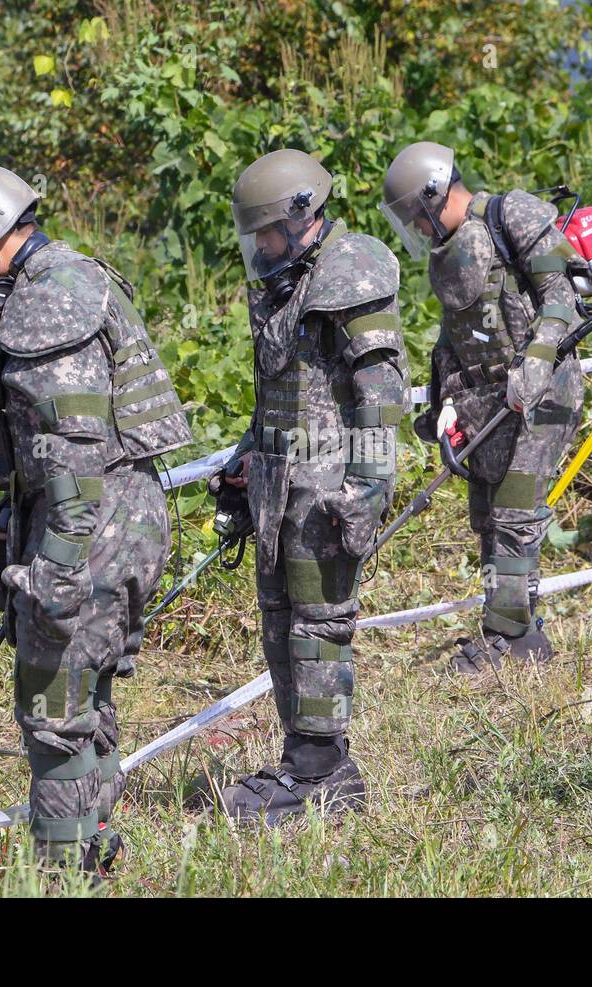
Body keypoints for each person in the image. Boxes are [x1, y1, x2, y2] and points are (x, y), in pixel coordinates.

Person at [0, 165, 193, 871]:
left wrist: (54, 569)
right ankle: (95, 848)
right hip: (116, 510)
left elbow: (73, 454)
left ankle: (65, 872)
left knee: (53, 711)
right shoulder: (65, 277)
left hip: (93, 519)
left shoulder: (47, 303)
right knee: (83, 695)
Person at [215, 149, 409, 824]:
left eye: (266, 230)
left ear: (300, 218)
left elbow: (380, 392)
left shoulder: (348, 271)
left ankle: (325, 772)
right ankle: (304, 756)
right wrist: (246, 454)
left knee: (319, 625)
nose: (259, 244)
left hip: (327, 484)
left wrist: (367, 487)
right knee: (279, 622)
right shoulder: (280, 282)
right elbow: (277, 384)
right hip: (277, 482)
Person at [380, 141, 584, 674]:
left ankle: (507, 641)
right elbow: (453, 339)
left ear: (435, 192)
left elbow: (562, 297)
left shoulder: (511, 213)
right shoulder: (447, 252)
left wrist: (537, 360)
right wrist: (442, 403)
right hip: (485, 400)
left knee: (516, 512)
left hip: (544, 391)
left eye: (414, 216)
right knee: (488, 519)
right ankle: (522, 629)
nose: (417, 229)